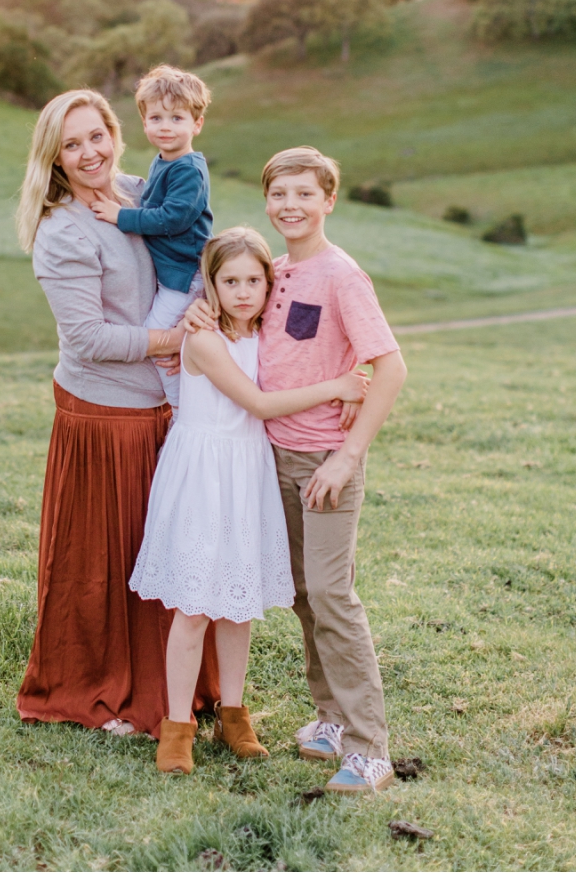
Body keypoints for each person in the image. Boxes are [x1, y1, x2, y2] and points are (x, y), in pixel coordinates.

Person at [14, 88, 219, 738]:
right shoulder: (62, 231)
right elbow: (90, 340)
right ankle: (104, 685)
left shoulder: (140, 189)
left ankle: (174, 686)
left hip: (161, 409)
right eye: (72, 144)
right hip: (103, 417)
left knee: (164, 554)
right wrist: (176, 340)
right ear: (55, 158)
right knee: (106, 561)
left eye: (96, 135)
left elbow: (195, 244)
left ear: (114, 133)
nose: (89, 152)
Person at [130, 226, 370, 775]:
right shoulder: (205, 338)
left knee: (237, 608)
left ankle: (233, 714)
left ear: (270, 284)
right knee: (193, 608)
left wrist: (354, 372)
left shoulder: (266, 333)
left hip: (247, 473)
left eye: (254, 281)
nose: (242, 291)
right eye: (229, 281)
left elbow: (322, 344)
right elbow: (260, 403)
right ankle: (176, 726)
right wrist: (337, 389)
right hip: (203, 474)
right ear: (209, 286)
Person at [258, 146, 407, 794]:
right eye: (279, 194)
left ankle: (370, 748)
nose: (290, 205)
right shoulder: (270, 271)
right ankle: (328, 722)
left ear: (328, 200)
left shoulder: (342, 275)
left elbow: (390, 367)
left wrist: (347, 457)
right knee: (298, 591)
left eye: (303, 194)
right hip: (273, 455)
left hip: (325, 462)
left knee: (331, 594)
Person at [91, 65, 213, 410]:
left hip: (185, 274)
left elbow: (173, 218)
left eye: (177, 118)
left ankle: (179, 409)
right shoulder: (165, 161)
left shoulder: (188, 169)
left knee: (158, 334)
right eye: (156, 118)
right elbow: (153, 197)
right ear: (144, 123)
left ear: (196, 124)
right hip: (172, 273)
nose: (165, 127)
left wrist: (121, 216)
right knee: (169, 335)